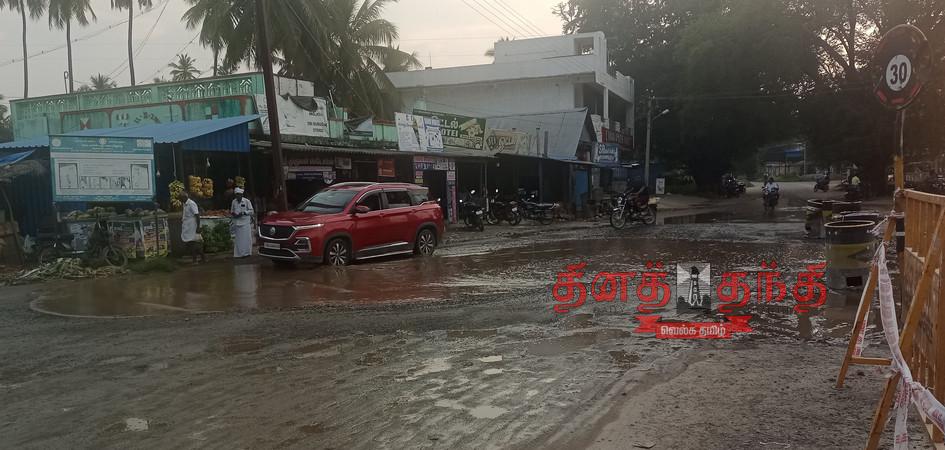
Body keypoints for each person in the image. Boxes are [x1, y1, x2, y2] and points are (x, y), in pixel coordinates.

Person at [180, 192, 206, 263]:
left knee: (193, 242)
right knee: (190, 242)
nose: (180, 200)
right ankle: (201, 258)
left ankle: (196, 259)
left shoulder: (191, 203)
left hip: (193, 225)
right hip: (187, 226)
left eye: (181, 198)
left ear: (185, 197)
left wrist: (198, 227)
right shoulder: (184, 204)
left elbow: (197, 216)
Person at [230, 187, 255, 258]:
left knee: (246, 238)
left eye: (239, 194)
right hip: (237, 222)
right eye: (237, 194)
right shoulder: (234, 202)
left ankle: (247, 253)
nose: (238, 196)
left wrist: (244, 213)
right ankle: (238, 254)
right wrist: (234, 214)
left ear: (242, 195)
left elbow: (251, 211)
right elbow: (232, 211)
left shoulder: (247, 201)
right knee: (238, 239)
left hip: (245, 223)